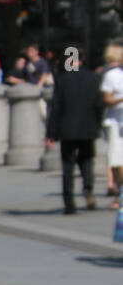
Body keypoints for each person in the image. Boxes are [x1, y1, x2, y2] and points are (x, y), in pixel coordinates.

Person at [46, 55, 104, 214]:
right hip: (88, 127)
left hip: (67, 129)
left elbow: (56, 106)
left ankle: (69, 201)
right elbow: (99, 104)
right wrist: (98, 125)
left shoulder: (62, 79)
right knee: (87, 160)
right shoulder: (94, 78)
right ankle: (88, 189)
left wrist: (51, 132)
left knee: (67, 165)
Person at [101, 44, 123, 210]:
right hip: (115, 123)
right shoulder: (111, 75)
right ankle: (119, 191)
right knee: (116, 162)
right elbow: (107, 100)